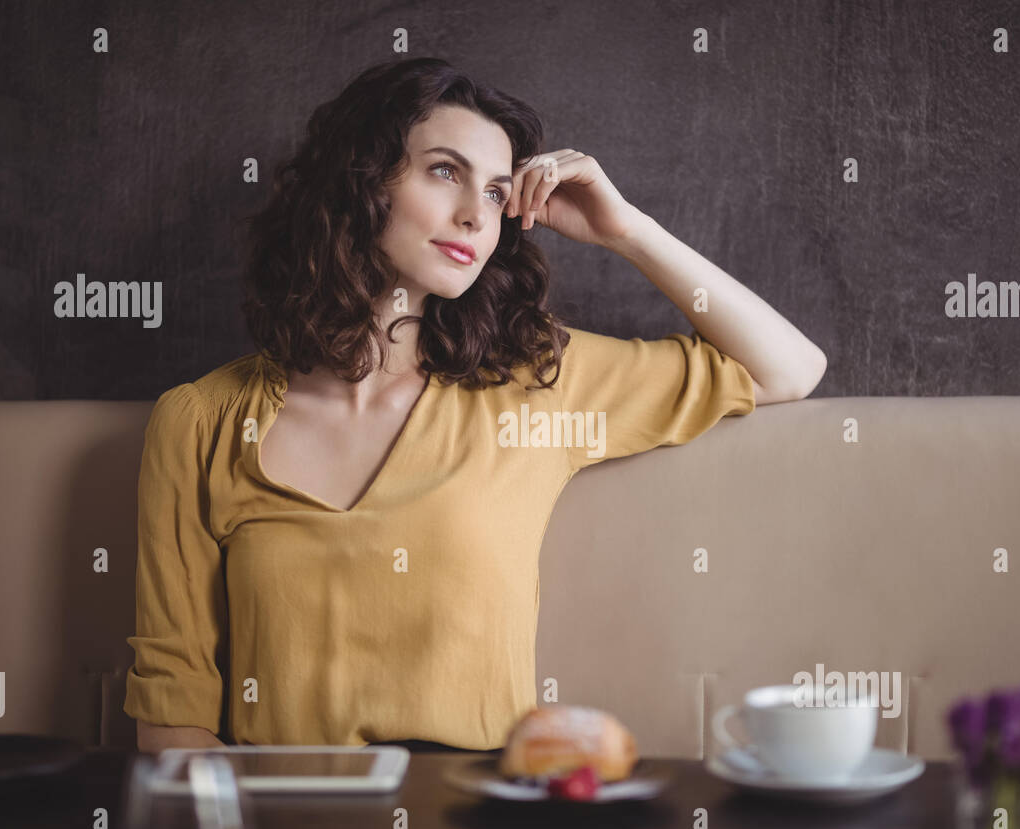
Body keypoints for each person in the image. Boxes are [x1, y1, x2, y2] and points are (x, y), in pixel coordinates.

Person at [126, 57, 826, 755]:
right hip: (289, 820)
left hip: (477, 819)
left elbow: (789, 367)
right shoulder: (200, 421)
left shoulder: (537, 382)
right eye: (443, 171)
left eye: (495, 194)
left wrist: (626, 230)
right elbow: (171, 716)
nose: (473, 214)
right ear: (362, 179)